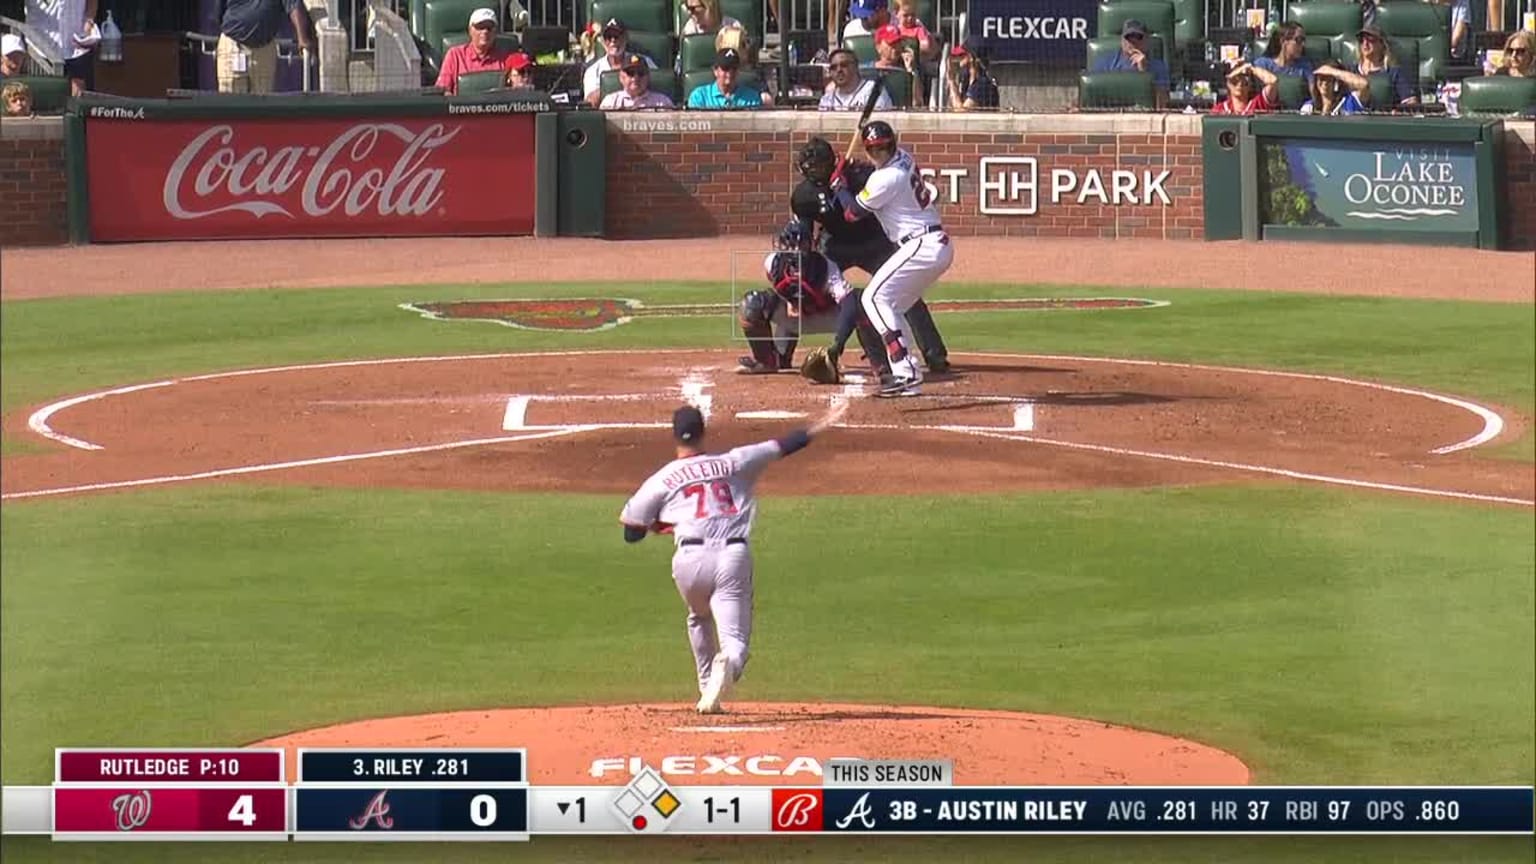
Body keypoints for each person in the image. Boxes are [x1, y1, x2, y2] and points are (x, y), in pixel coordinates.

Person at [619, 400, 847, 714]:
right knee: (735, 641)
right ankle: (727, 665)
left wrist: (662, 524)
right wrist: (821, 424)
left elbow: (632, 533)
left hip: (689, 560)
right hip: (731, 556)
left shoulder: (662, 478)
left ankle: (705, 688)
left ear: (674, 436)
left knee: (698, 617)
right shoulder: (736, 461)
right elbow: (785, 444)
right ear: (703, 432)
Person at [791, 136, 949, 374]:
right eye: (809, 169)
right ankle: (785, 353)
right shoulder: (803, 195)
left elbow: (858, 209)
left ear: (831, 162)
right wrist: (805, 254)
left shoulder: (862, 175)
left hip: (874, 242)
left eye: (817, 167)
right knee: (806, 285)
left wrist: (845, 183)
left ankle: (934, 354)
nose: (812, 173)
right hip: (835, 245)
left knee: (905, 292)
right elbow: (805, 229)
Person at [828, 121, 954, 397]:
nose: (880, 152)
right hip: (932, 243)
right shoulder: (903, 157)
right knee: (892, 306)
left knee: (872, 298)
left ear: (891, 143)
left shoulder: (886, 178)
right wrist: (850, 171)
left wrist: (839, 186)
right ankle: (908, 375)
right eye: (874, 148)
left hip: (922, 244)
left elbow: (851, 213)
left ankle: (905, 371)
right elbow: (872, 177)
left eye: (884, 146)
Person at [736, 220, 891, 376]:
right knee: (752, 303)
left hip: (825, 316)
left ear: (810, 245)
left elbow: (848, 302)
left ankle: (880, 364)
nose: (795, 250)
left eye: (800, 245)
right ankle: (767, 361)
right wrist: (792, 303)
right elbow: (780, 292)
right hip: (793, 317)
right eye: (790, 245)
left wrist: (838, 344)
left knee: (860, 302)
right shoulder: (772, 263)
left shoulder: (825, 266)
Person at [216, 0, 314, 95]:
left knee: (262, 102)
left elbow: (294, 6)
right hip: (233, 46)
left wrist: (302, 38)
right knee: (231, 101)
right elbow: (219, 11)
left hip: (264, 48)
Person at [1090, 19, 1170, 108]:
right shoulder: (1105, 63)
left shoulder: (1159, 67)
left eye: (1138, 37)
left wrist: (1144, 73)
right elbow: (1092, 97)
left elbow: (1162, 104)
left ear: (1146, 41)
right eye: (1129, 37)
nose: (1133, 42)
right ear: (1122, 41)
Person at [436, 8, 514, 95]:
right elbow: (442, 90)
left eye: (489, 28)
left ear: (495, 31)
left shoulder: (506, 59)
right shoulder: (454, 56)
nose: (485, 31)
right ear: (470, 30)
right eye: (480, 27)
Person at [584, 18, 657, 106]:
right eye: (608, 37)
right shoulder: (593, 71)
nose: (613, 40)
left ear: (625, 38)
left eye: (617, 36)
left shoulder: (645, 62)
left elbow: (659, 86)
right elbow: (591, 103)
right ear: (603, 41)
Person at [1353, 26, 1415, 106]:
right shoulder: (1350, 71)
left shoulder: (1394, 74)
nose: (1365, 43)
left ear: (1382, 44)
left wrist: (1399, 112)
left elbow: (1411, 102)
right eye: (1361, 40)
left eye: (1370, 40)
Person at [687, 47, 768, 107]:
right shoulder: (699, 96)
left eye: (734, 69)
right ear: (715, 71)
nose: (729, 73)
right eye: (725, 69)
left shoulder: (751, 98)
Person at [820, 48, 892, 110]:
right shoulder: (827, 100)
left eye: (844, 65)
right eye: (833, 67)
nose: (839, 70)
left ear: (855, 67)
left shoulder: (873, 91)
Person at [600, 52, 675, 108]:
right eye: (630, 73)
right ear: (621, 77)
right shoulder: (610, 102)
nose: (635, 78)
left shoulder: (663, 102)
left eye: (641, 73)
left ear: (648, 77)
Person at [945, 36, 999, 110]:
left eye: (961, 55)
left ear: (972, 58)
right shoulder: (966, 80)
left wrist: (951, 81)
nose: (956, 59)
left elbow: (961, 114)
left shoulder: (983, 84)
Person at [1256, 21, 1315, 86]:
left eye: (1304, 40)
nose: (1303, 45)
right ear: (1283, 41)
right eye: (1299, 40)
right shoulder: (1263, 65)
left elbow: (1312, 91)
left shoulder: (1304, 66)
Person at [1300, 61, 1368, 114]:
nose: (1325, 83)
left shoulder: (1349, 101)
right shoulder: (1309, 107)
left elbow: (1364, 85)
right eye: (1321, 78)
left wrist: (1332, 71)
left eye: (1329, 79)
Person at [1211, 61, 1278, 114]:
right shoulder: (1219, 109)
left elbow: (1273, 81)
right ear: (1227, 83)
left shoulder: (1258, 103)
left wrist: (1251, 68)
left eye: (1244, 79)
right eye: (1234, 80)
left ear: (1250, 84)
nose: (1240, 83)